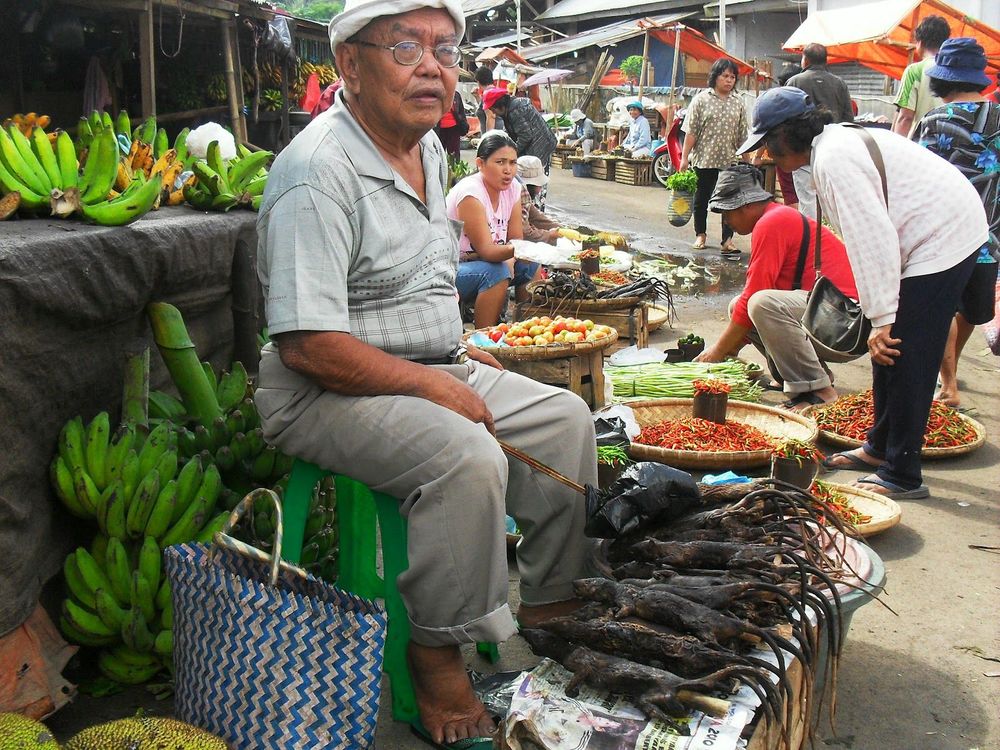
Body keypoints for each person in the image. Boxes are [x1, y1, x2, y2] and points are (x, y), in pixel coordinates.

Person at [254, 1, 596, 745]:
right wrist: (434, 384)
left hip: (426, 365)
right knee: (463, 455)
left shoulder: (430, 150)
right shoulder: (316, 173)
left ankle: (550, 601)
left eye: (446, 49)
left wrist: (456, 350)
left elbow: (424, 279)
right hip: (322, 390)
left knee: (565, 418)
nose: (433, 68)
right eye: (406, 47)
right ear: (350, 62)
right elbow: (308, 344)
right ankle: (435, 654)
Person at [738, 86, 988, 499]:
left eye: (769, 144)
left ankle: (902, 473)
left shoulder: (835, 159)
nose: (767, 155)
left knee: (903, 351)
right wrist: (881, 317)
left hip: (944, 237)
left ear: (788, 133)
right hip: (928, 231)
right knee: (888, 348)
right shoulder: (828, 148)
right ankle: (879, 447)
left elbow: (874, 240)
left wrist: (882, 317)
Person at [694, 164, 858, 410]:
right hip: (828, 316)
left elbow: (756, 295)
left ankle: (818, 390)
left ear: (747, 205)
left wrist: (717, 351)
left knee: (760, 304)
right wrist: (730, 349)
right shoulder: (774, 217)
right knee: (738, 306)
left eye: (727, 212)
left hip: (846, 322)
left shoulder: (772, 222)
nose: (726, 220)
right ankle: (808, 376)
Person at [915, 37, 1000, 407]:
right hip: (991, 234)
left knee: (944, 306)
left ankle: (946, 380)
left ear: (940, 81)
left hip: (944, 236)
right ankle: (949, 372)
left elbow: (915, 180)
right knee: (972, 308)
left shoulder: (933, 121)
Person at [447, 132, 540, 327]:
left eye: (513, 163)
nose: (508, 170)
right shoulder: (471, 194)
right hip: (449, 269)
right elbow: (487, 251)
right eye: (500, 162)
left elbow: (516, 239)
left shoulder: (513, 188)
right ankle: (484, 339)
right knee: (495, 272)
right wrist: (516, 253)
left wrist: (518, 255)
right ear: (480, 163)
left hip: (484, 261)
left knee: (531, 264)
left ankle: (526, 329)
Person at [679, 58, 749, 254]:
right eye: (724, 76)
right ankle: (700, 234)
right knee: (701, 199)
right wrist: (684, 158)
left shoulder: (739, 103)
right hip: (704, 159)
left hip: (729, 161)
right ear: (715, 77)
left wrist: (748, 162)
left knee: (729, 203)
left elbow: (742, 136)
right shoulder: (701, 99)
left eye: (732, 77)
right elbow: (691, 131)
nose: (728, 80)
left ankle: (727, 240)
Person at [786, 43, 854, 218]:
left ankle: (811, 240)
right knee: (830, 201)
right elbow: (848, 118)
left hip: (802, 150)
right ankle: (825, 239)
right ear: (826, 60)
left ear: (805, 60)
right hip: (832, 150)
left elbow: (785, 118)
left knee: (807, 201)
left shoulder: (795, 82)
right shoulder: (839, 84)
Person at [892, 15, 950, 138]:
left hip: (922, 145)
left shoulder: (915, 71)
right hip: (950, 143)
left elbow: (905, 118)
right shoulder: (956, 69)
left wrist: (895, 150)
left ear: (920, 42)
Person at [483, 86, 557, 172]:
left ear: (500, 105)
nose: (493, 112)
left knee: (533, 175)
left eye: (493, 109)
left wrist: (511, 153)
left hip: (540, 144)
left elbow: (525, 136)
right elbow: (508, 132)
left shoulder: (516, 110)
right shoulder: (508, 109)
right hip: (535, 143)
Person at [517, 155, 561, 244]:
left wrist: (561, 230)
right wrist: (550, 235)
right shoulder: (517, 194)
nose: (540, 189)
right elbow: (526, 233)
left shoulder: (525, 198)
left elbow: (536, 217)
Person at [434, 89, 469, 159]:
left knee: (454, 154)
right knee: (437, 154)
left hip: (454, 127)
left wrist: (464, 124)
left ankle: (454, 169)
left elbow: (461, 112)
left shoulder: (456, 95)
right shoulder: (434, 95)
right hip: (438, 129)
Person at [473, 64, 502, 134]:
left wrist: (488, 138)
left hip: (494, 136)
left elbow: (491, 117)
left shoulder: (488, 94)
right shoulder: (493, 91)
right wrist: (477, 96)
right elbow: (485, 108)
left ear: (478, 81)